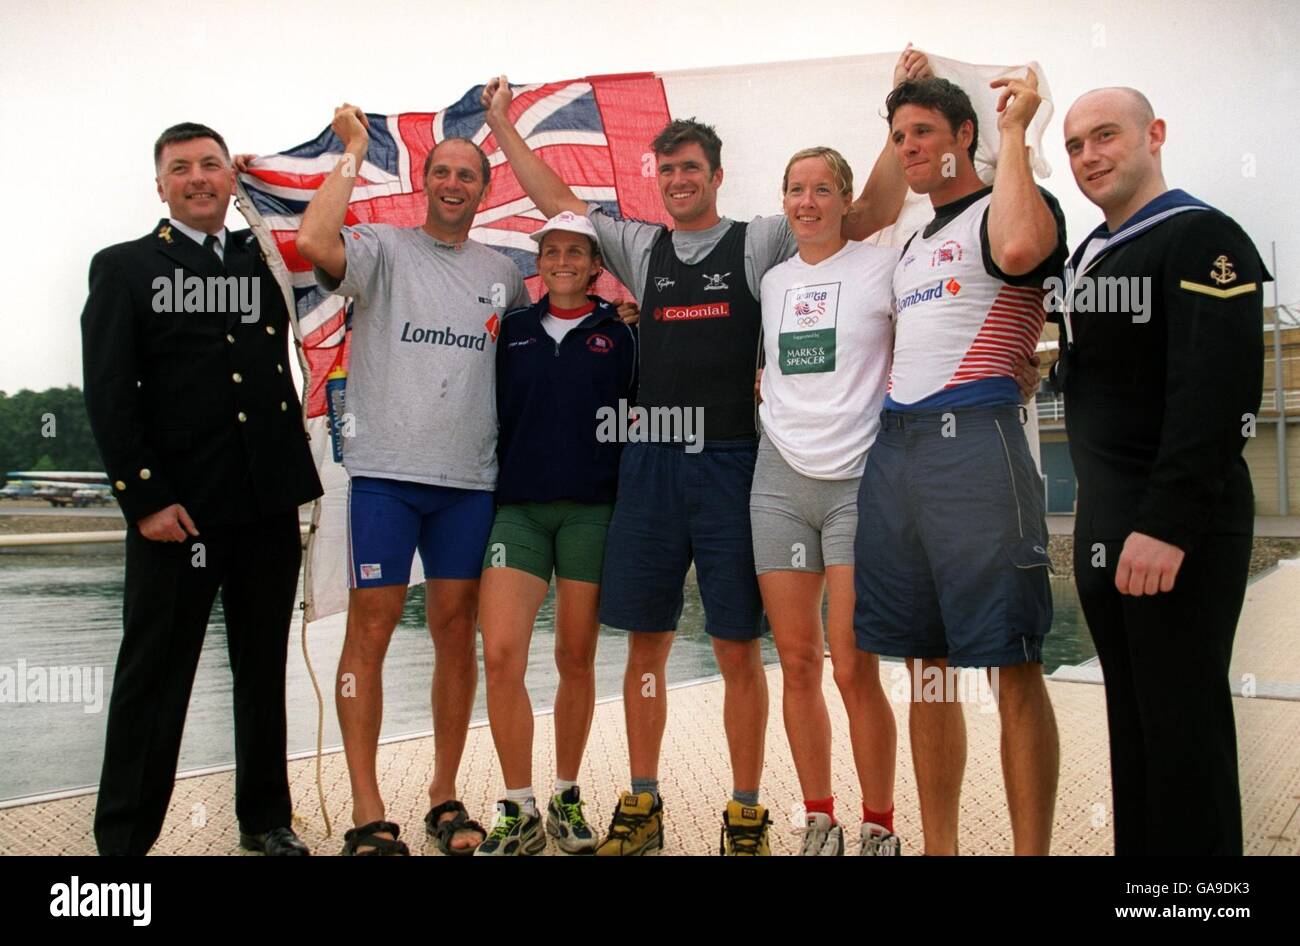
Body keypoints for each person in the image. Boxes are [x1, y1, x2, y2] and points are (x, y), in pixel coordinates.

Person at [482, 45, 926, 855]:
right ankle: (644, 803)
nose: (678, 180)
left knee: (734, 648)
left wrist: (894, 114)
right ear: (657, 179)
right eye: (667, 170)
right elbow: (562, 202)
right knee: (645, 641)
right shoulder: (642, 249)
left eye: (691, 168)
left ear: (717, 175)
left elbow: (855, 216)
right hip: (650, 466)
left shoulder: (760, 244)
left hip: (734, 463)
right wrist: (505, 126)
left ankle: (747, 808)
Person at [82, 122, 322, 856]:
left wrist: (279, 181)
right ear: (159, 184)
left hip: (266, 503)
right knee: (154, 678)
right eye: (180, 167)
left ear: (229, 178)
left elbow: (330, 237)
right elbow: (111, 394)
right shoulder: (124, 268)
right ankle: (124, 841)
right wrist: (145, 499)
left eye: (211, 166)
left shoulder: (268, 262)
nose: (196, 178)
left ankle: (265, 820)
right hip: (178, 513)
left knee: (261, 671)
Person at [295, 104, 530, 856]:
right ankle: (368, 812)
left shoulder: (503, 276)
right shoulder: (383, 249)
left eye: (468, 174)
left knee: (457, 635)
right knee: (371, 630)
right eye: (443, 172)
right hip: (386, 477)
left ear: (484, 189)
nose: (455, 183)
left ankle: (444, 793)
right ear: (424, 183)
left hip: (469, 482)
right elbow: (309, 242)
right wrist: (354, 151)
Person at [852, 72, 1067, 855]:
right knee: (927, 665)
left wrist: (1017, 130)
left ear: (964, 135)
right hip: (899, 452)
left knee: (1012, 664)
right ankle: (939, 847)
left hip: (977, 444)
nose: (910, 149)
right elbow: (860, 220)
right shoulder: (909, 243)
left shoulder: (1013, 206)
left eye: (924, 134)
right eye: (900, 136)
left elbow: (1017, 252)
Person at [1056, 87, 1266, 855]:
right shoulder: (1094, 256)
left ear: (1156, 135)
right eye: (1075, 145)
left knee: (1184, 741)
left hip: (1174, 530)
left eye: (1105, 135)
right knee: (1137, 739)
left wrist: (1166, 525)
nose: (1088, 156)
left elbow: (1219, 390)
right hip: (1113, 529)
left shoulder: (1201, 236)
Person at [474, 211, 638, 855]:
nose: (562, 260)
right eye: (551, 251)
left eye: (576, 251)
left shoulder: (621, 333)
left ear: (596, 264)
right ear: (537, 262)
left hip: (592, 511)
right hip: (517, 508)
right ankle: (518, 806)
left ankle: (567, 795)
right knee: (502, 654)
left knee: (575, 657)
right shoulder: (511, 330)